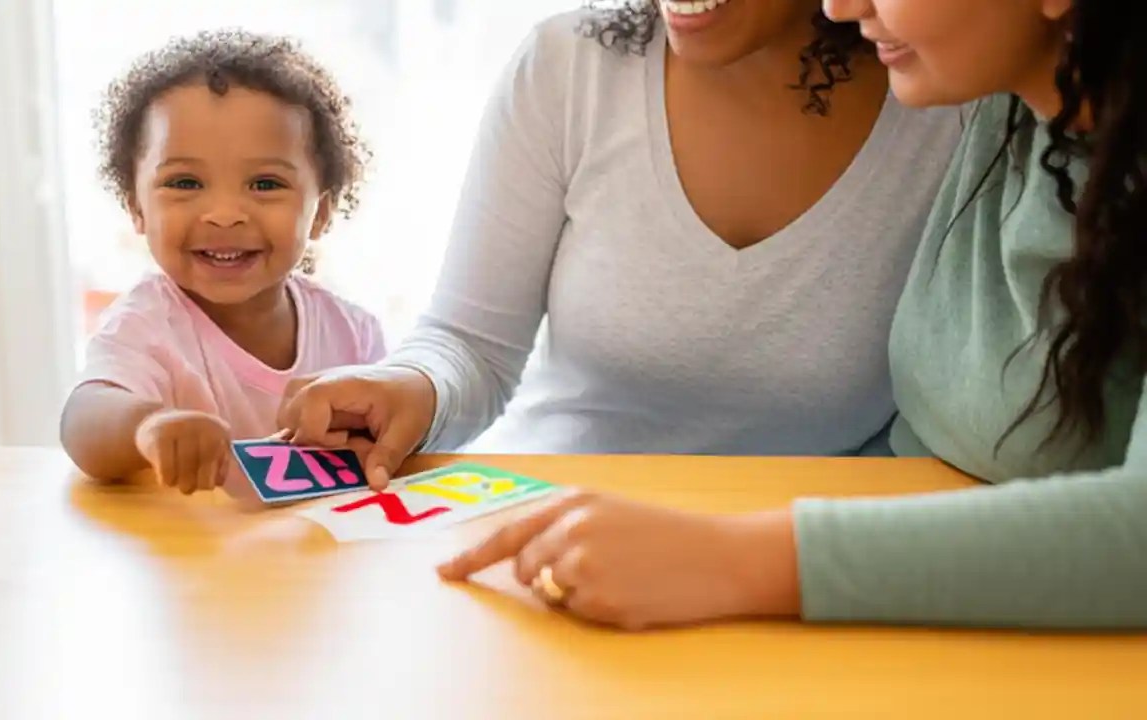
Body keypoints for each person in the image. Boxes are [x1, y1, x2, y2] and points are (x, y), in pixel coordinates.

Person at [434, 0, 1147, 630]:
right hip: (888, 608)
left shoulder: (959, 110)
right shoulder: (1005, 113)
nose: (841, 6)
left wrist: (728, 560)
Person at [278, 1, 962, 489]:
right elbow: (470, 344)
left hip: (808, 559)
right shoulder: (568, 65)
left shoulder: (954, 108)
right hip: (555, 524)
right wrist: (412, 386)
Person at [61, 30, 385, 496]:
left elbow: (395, 446)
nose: (225, 214)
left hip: (317, 560)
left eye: (266, 184)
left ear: (321, 213)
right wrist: (147, 427)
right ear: (136, 208)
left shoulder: (354, 333)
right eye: (186, 183)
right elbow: (83, 420)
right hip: (192, 562)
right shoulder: (146, 326)